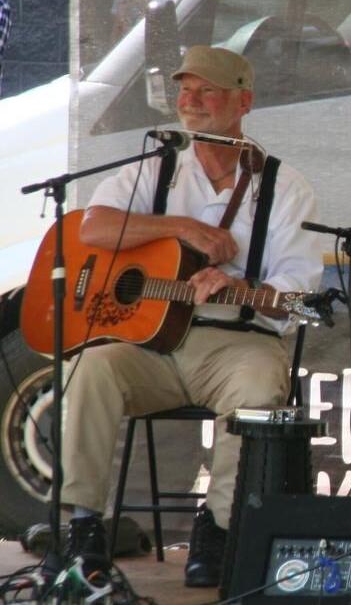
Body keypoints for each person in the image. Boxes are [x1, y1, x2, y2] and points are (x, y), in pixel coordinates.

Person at [60, 45, 323, 587]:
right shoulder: (157, 168)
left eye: (208, 90)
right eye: (186, 90)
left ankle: (220, 529)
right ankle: (81, 527)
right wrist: (177, 229)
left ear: (243, 100)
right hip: (152, 344)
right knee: (91, 368)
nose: (192, 101)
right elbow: (92, 229)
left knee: (256, 385)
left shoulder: (284, 186)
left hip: (236, 343)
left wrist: (242, 288)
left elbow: (299, 301)